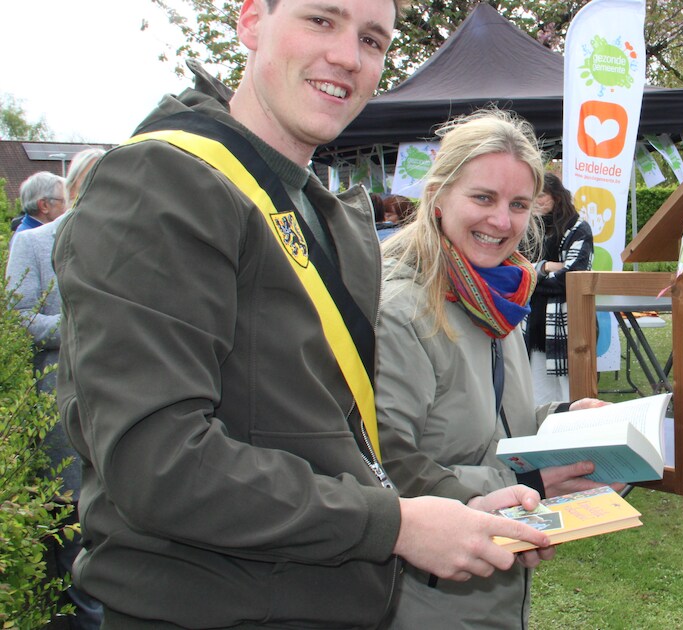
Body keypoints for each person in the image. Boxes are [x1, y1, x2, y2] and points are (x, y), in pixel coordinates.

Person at [53, 1, 552, 627]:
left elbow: (340, 439)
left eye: (372, 39)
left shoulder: (317, 209)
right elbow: (160, 461)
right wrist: (395, 523)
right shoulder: (164, 180)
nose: (348, 56)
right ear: (250, 21)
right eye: (322, 19)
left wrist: (462, 502)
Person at [374, 109, 612, 629]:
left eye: (518, 205)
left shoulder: (494, 294)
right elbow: (386, 466)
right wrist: (529, 482)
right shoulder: (403, 309)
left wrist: (565, 417)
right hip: (424, 595)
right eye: (483, 198)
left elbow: (493, 417)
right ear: (437, 196)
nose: (502, 222)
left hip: (492, 574)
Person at [4, 148, 106, 630]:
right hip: (62, 412)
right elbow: (19, 320)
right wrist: (86, 326)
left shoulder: (128, 242)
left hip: (122, 409)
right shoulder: (33, 245)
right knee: (74, 536)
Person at [525, 172, 594, 405]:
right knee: (537, 391)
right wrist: (547, 267)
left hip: (568, 322)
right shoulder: (527, 228)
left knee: (570, 391)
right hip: (533, 322)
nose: (535, 201)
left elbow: (573, 277)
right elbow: (514, 269)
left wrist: (533, 278)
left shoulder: (578, 229)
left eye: (541, 195)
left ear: (556, 196)